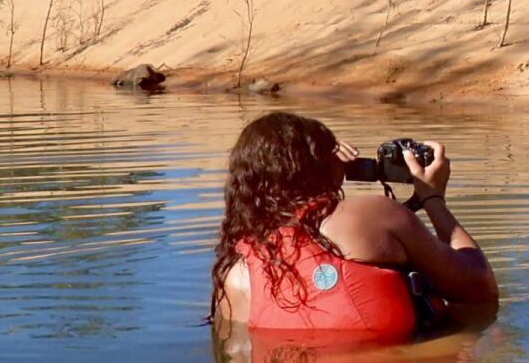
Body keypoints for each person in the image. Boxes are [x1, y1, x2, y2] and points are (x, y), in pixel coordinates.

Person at [208, 111, 497, 340]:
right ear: (324, 167)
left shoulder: (235, 274)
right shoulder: (373, 215)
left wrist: (325, 161)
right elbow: (478, 286)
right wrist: (432, 197)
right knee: (480, 332)